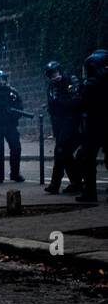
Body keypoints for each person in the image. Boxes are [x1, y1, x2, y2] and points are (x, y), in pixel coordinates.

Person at [44, 62, 83, 196]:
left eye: (55, 72)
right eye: (51, 73)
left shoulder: (71, 81)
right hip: (61, 124)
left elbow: (76, 101)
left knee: (61, 151)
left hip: (74, 123)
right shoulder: (51, 87)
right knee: (63, 153)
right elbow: (52, 107)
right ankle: (75, 182)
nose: (54, 75)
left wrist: (60, 103)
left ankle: (56, 184)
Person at [76, 50, 108, 204]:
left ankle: (90, 193)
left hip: (95, 124)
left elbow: (81, 104)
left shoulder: (91, 84)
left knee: (87, 158)